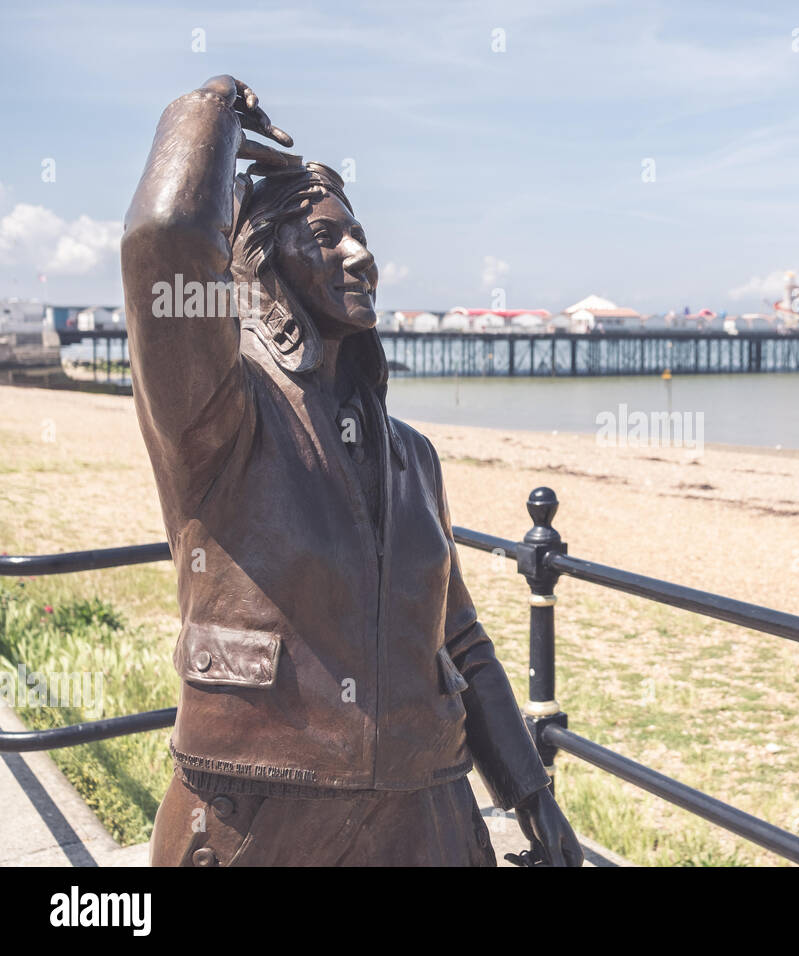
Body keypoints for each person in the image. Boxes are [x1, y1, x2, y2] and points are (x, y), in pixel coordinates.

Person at [121, 74, 582, 866]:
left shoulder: (413, 457)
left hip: (426, 803)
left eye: (360, 235)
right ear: (263, 259)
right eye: (328, 237)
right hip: (261, 808)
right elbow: (164, 239)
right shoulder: (221, 418)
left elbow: (460, 640)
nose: (361, 255)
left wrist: (532, 796)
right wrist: (212, 115)